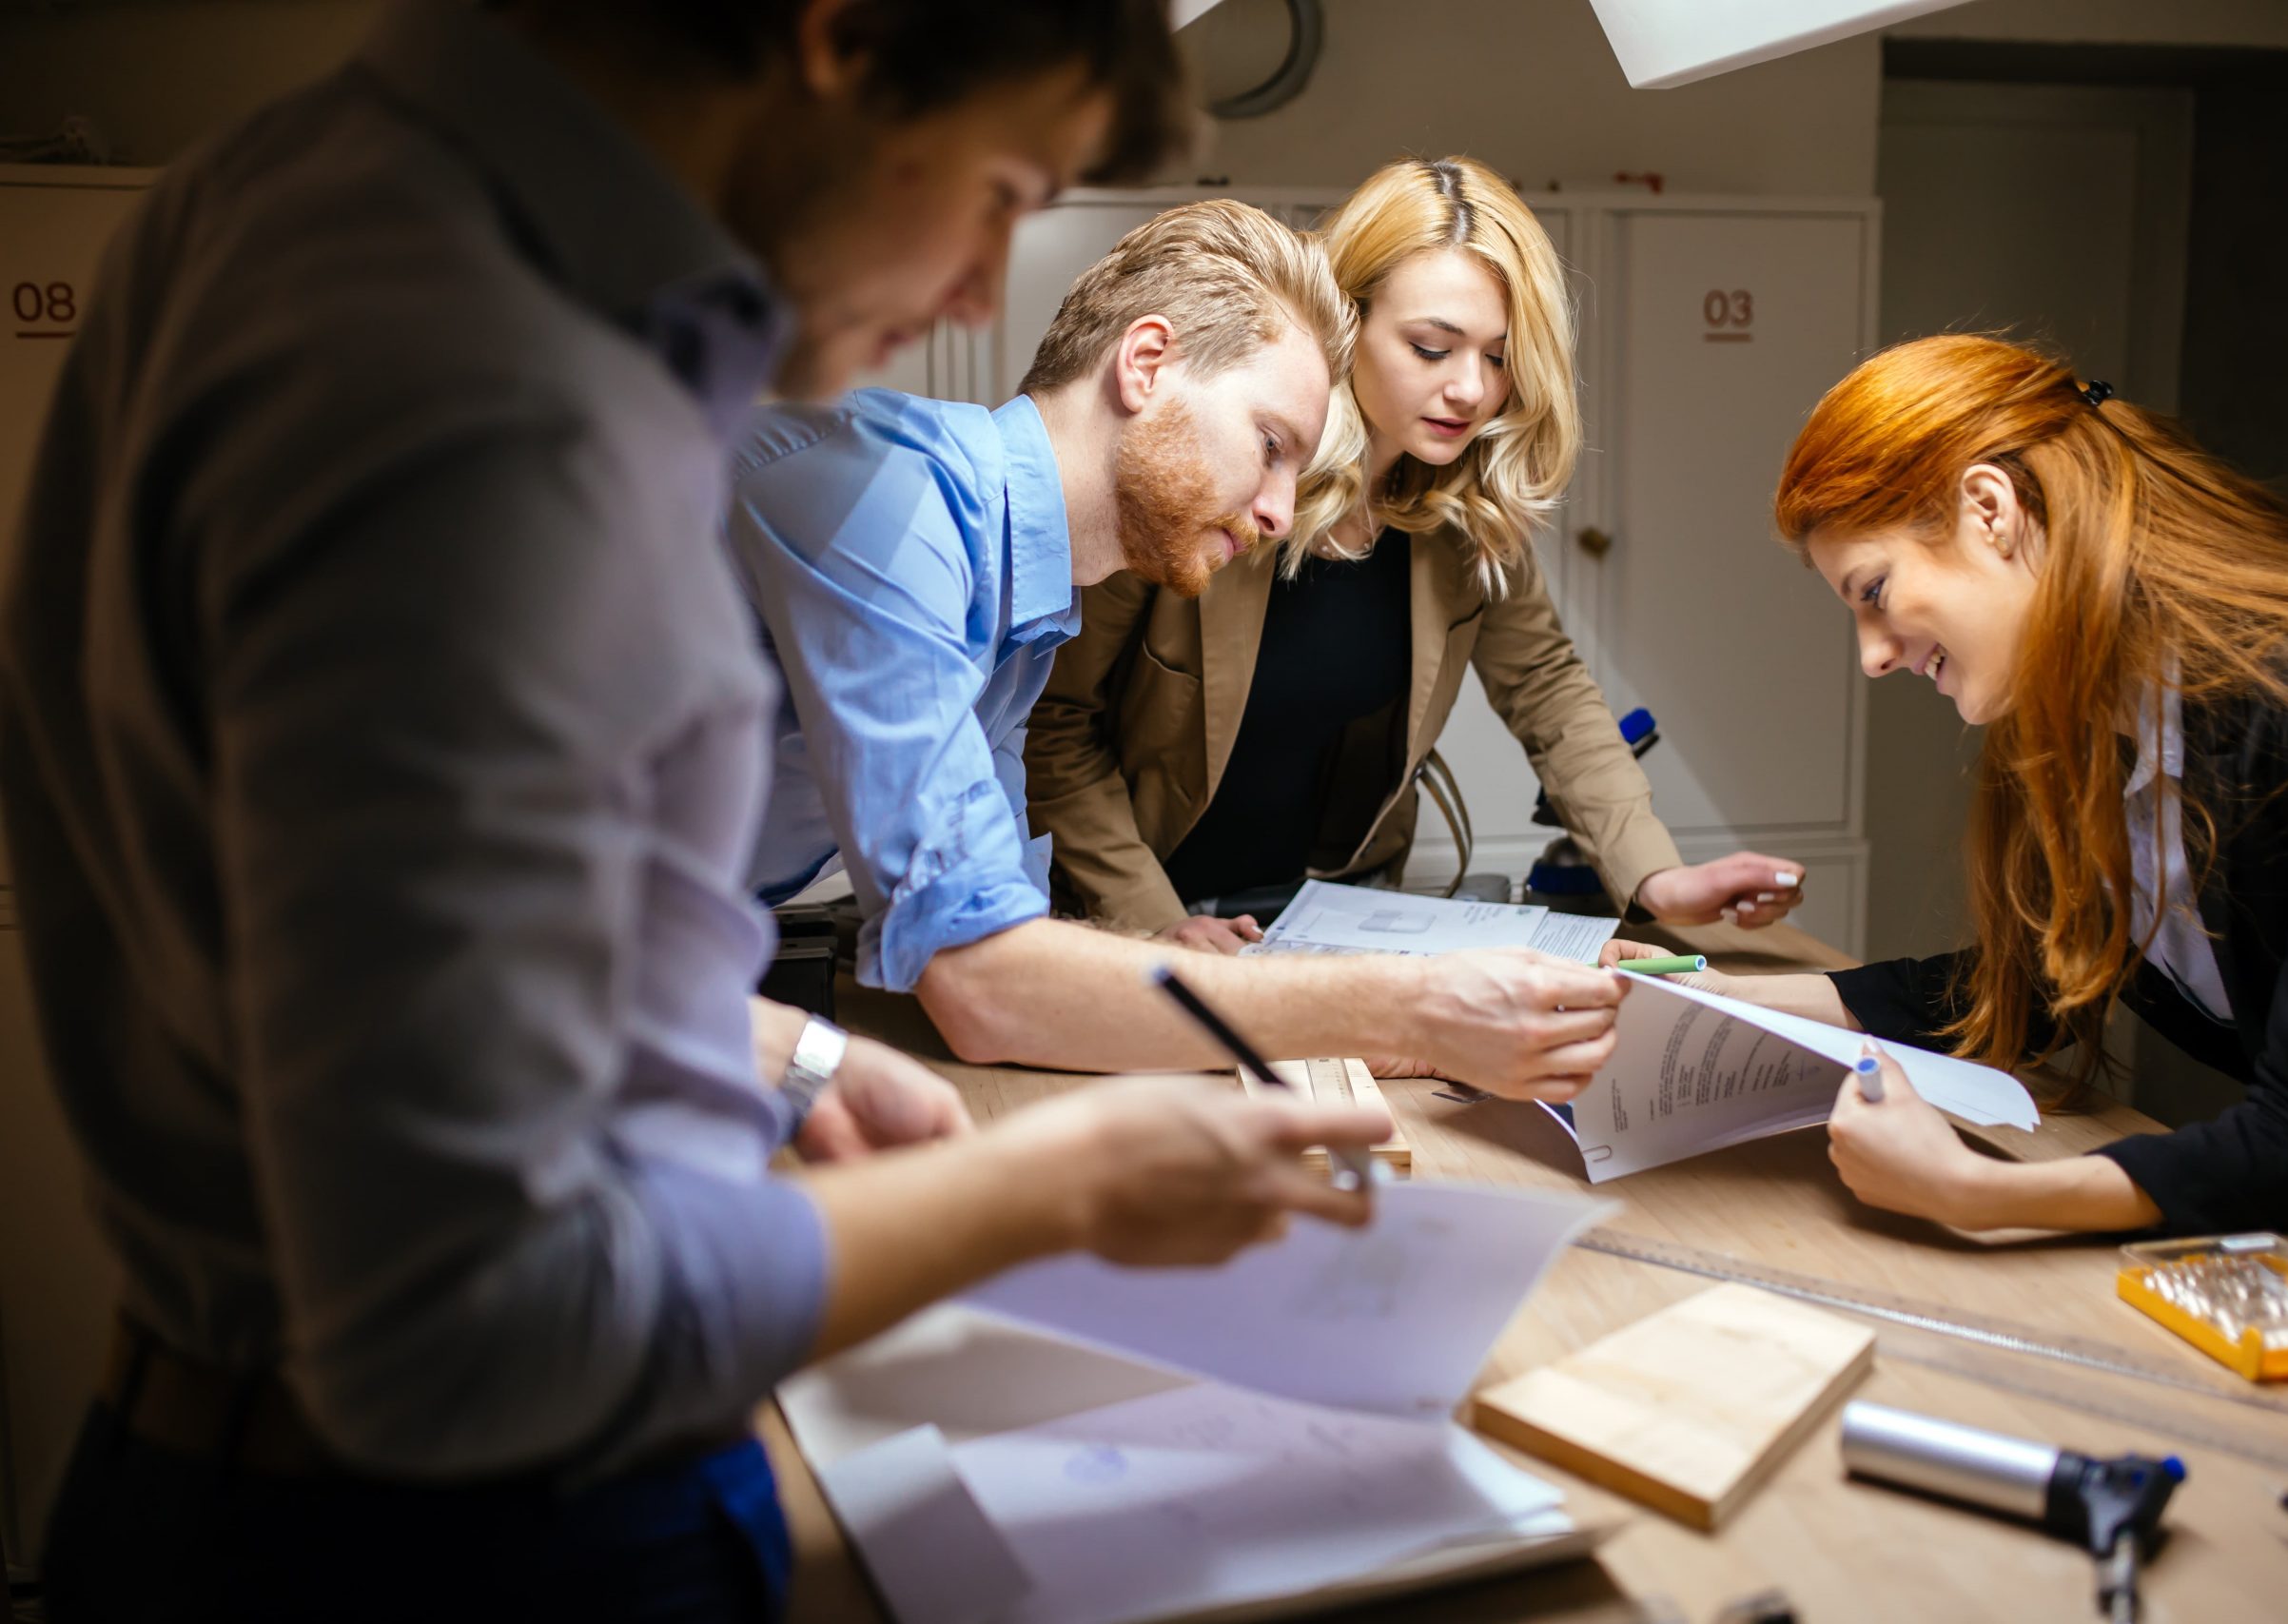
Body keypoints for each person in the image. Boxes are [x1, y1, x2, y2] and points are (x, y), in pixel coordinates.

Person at [1, 4, 1394, 1619]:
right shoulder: (490, 380)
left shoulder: (313, 205)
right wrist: (1060, 1190)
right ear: (846, 44)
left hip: (316, 1472)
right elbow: (475, 1332)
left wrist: (773, 1050)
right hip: (442, 1540)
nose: (969, 291)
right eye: (1002, 190)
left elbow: (385, 953)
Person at [727, 197, 1629, 1088]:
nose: (1280, 512)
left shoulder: (1026, 607)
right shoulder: (895, 514)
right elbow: (985, 983)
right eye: (1270, 444)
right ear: (1147, 364)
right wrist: (1405, 1003)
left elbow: (1011, 939)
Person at [1602, 333, 2288, 1262]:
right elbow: (2024, 986)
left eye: (1874, 591)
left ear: (1989, 510)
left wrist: (1973, 1191)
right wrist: (1717, 1000)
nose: (1874, 656)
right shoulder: (2103, 729)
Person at [1025, 156, 1808, 956]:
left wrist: (1653, 875)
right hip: (1141, 917)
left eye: (1499, 357)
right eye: (1433, 348)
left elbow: (1546, 687)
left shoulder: (1461, 513)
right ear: (1343, 321)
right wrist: (1159, 923)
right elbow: (1053, 725)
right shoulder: (1213, 482)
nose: (1471, 389)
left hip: (1331, 919)